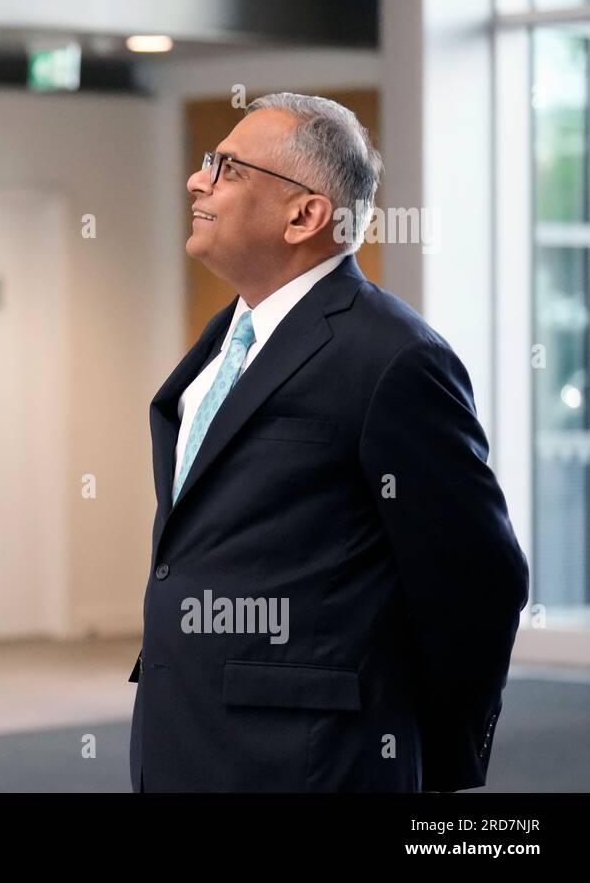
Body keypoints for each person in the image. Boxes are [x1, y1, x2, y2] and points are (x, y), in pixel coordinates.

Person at [128, 92, 528, 792]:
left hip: (310, 760)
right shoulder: (225, 338)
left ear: (306, 213)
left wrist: (426, 757)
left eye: (228, 168)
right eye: (205, 162)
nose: (198, 180)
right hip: (183, 731)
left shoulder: (395, 357)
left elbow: (481, 578)